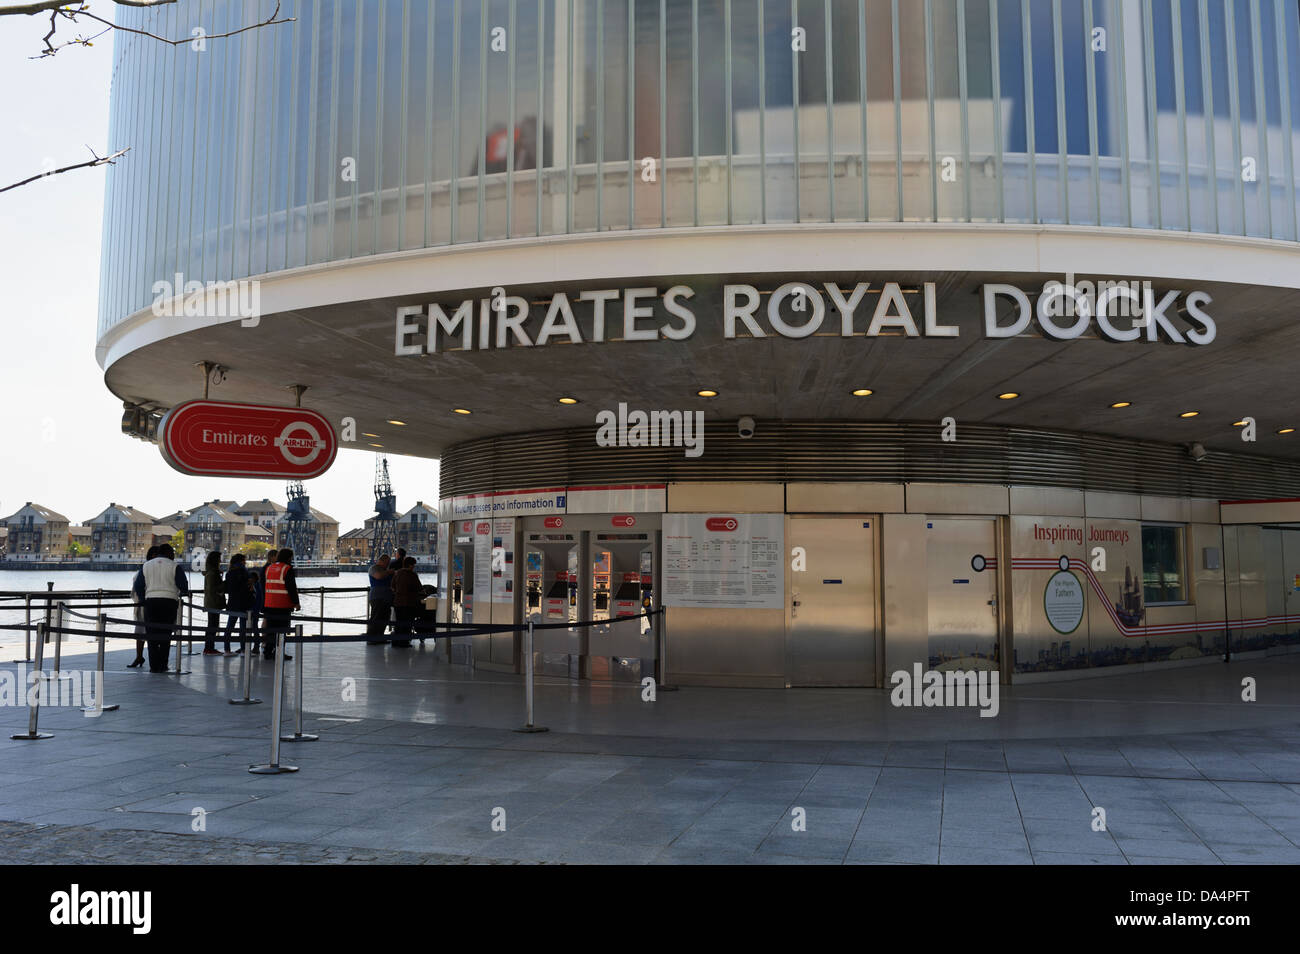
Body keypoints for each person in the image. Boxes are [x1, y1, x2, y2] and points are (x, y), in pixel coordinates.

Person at [133, 543, 189, 672]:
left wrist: (143, 599)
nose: (174, 556)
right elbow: (183, 586)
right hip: (169, 603)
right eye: (173, 554)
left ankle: (154, 666)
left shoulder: (146, 566)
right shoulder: (175, 566)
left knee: (151, 635)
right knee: (166, 635)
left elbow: (138, 585)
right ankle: (163, 665)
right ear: (169, 553)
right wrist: (181, 592)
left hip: (151, 602)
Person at [261, 548, 299, 661]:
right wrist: (296, 603)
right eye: (291, 557)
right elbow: (291, 587)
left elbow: (264, 585)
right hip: (283, 605)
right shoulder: (287, 569)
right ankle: (279, 653)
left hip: (269, 604)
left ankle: (268, 652)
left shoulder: (269, 568)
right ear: (288, 558)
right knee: (282, 631)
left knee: (271, 630)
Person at [127, 545, 159, 668]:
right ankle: (140, 656)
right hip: (146, 604)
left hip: (144, 603)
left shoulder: (144, 569)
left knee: (143, 632)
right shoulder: (146, 569)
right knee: (141, 632)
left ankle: (142, 657)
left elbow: (134, 589)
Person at [222, 553, 256, 654]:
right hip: (244, 603)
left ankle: (227, 650)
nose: (245, 562)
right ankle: (243, 649)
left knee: (229, 627)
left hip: (232, 602)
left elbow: (228, 588)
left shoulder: (229, 573)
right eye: (244, 560)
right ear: (241, 561)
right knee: (243, 628)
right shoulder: (244, 572)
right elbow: (248, 587)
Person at [391, 556, 422, 648]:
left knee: (399, 622)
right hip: (409, 603)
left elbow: (392, 587)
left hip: (398, 602)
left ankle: (396, 641)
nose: (414, 567)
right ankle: (404, 642)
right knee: (407, 623)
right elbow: (419, 588)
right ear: (410, 565)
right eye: (413, 565)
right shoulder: (412, 575)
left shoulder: (397, 573)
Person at [201, 550, 227, 655]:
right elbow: (214, 588)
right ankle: (209, 648)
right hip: (214, 602)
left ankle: (208, 648)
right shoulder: (213, 573)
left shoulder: (209, 571)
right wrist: (225, 583)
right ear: (215, 560)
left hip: (210, 602)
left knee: (211, 625)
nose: (220, 561)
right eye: (219, 559)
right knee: (213, 626)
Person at [366, 554, 395, 644]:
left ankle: (379, 637)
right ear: (381, 561)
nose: (387, 564)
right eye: (386, 563)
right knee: (376, 617)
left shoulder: (385, 570)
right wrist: (389, 572)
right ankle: (371, 638)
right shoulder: (373, 568)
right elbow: (378, 576)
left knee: (385, 617)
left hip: (386, 598)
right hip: (377, 597)